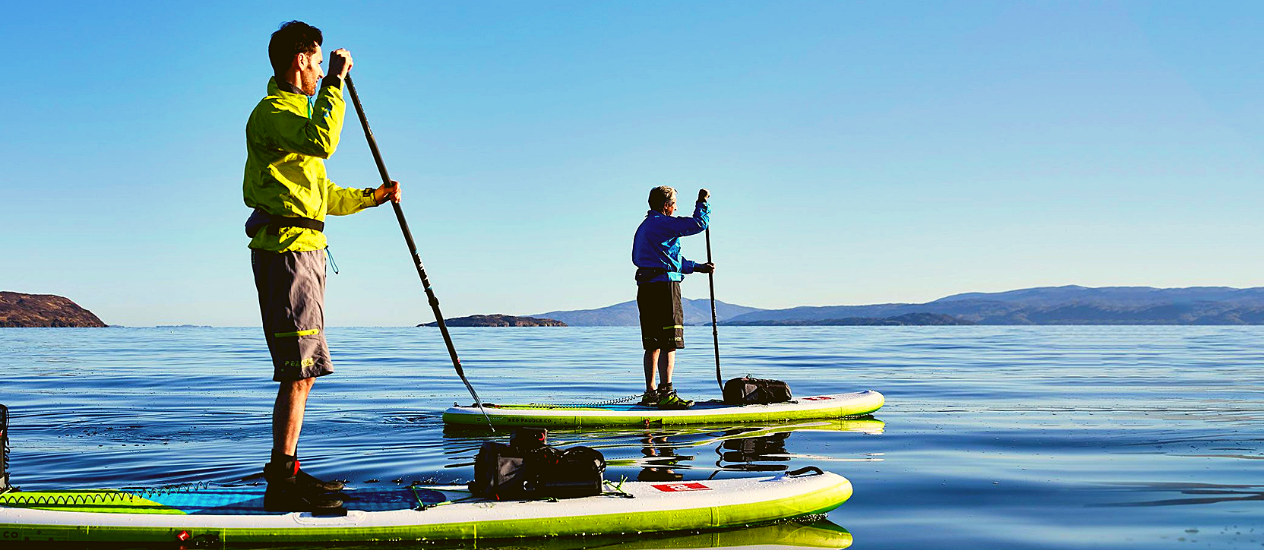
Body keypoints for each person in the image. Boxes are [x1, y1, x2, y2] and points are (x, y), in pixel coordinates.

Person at [243, 20, 401, 512]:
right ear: (300, 60)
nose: (318, 72)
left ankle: (286, 470)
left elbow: (322, 194)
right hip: (288, 250)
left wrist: (373, 198)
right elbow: (323, 142)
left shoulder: (297, 118)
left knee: (304, 370)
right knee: (297, 369)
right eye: (314, 63)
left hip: (306, 248)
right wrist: (336, 83)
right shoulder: (275, 112)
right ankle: (281, 482)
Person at [632, 186, 714, 410]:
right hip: (664, 289)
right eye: (675, 203)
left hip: (646, 289)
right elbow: (698, 224)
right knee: (670, 343)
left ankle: (651, 393)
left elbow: (668, 259)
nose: (676, 207)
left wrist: (697, 267)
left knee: (653, 344)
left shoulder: (645, 227)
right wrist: (702, 203)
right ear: (666, 206)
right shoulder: (663, 223)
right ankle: (666, 394)